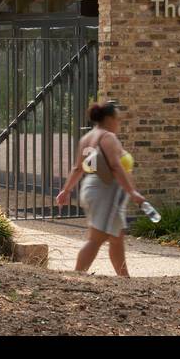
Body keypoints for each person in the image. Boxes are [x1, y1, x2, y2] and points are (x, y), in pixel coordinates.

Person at [55, 100, 146, 276]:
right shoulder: (108, 137)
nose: (119, 122)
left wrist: (66, 191)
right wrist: (132, 191)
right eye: (118, 118)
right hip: (107, 191)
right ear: (110, 118)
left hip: (92, 188)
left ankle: (124, 278)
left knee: (116, 237)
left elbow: (77, 168)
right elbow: (116, 167)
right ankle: (77, 276)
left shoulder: (87, 138)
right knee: (96, 238)